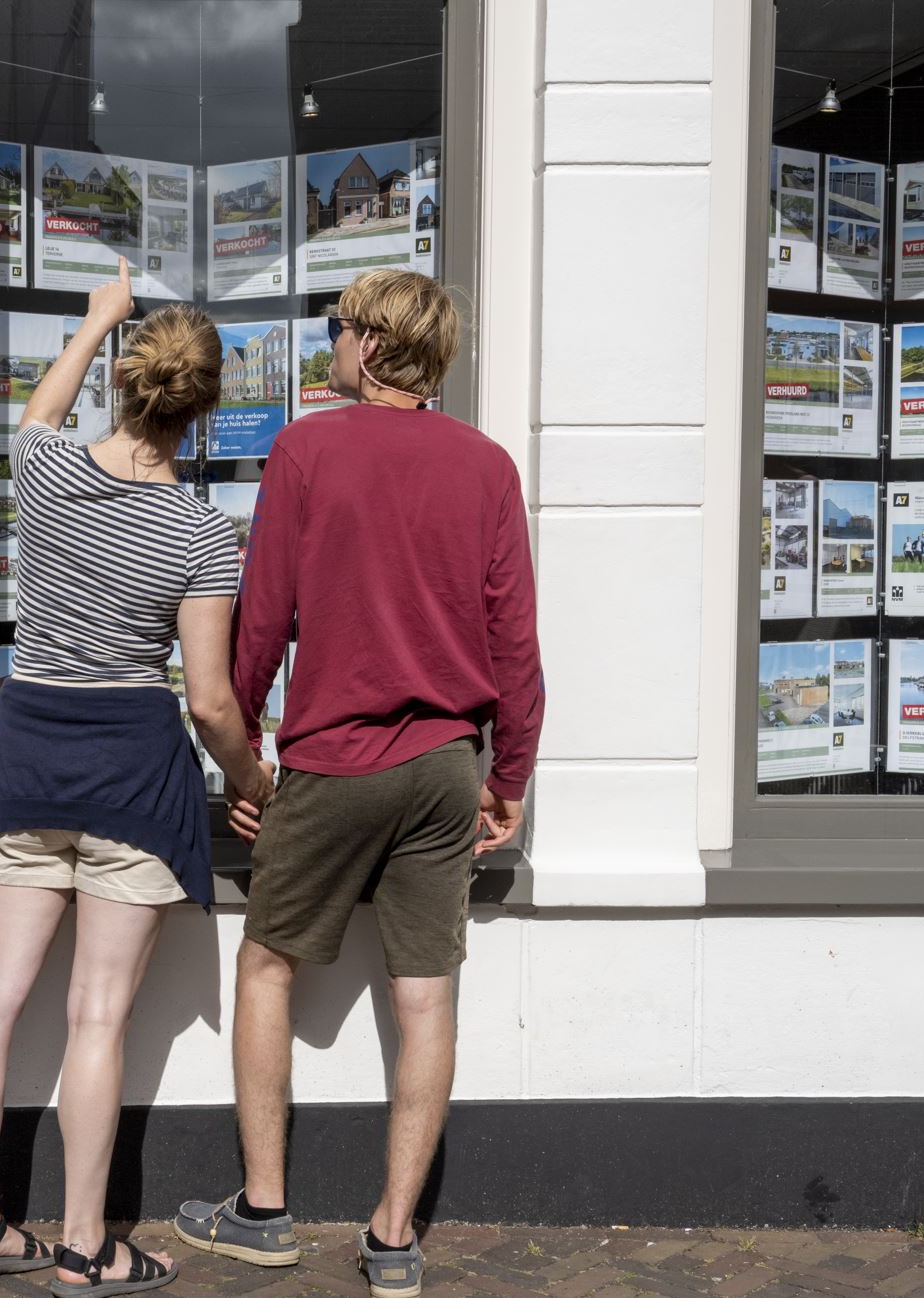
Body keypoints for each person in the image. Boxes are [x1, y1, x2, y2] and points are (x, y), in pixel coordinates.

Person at [175, 269, 544, 1297]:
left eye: (338, 329)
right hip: (441, 768)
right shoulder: (486, 466)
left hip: (335, 756)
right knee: (424, 992)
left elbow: (264, 621)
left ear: (373, 347)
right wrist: (508, 770)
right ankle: (391, 1238)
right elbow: (514, 641)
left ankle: (262, 1209)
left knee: (265, 965)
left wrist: (240, 747)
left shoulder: (307, 449)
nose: (328, 345)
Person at [0, 258, 275, 1297]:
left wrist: (96, 320)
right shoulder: (203, 532)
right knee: (97, 1017)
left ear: (124, 381)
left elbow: (41, 410)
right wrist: (253, 777)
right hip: (133, 769)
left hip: (28, 748)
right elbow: (212, 700)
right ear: (204, 410)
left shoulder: (44, 470)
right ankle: (87, 1244)